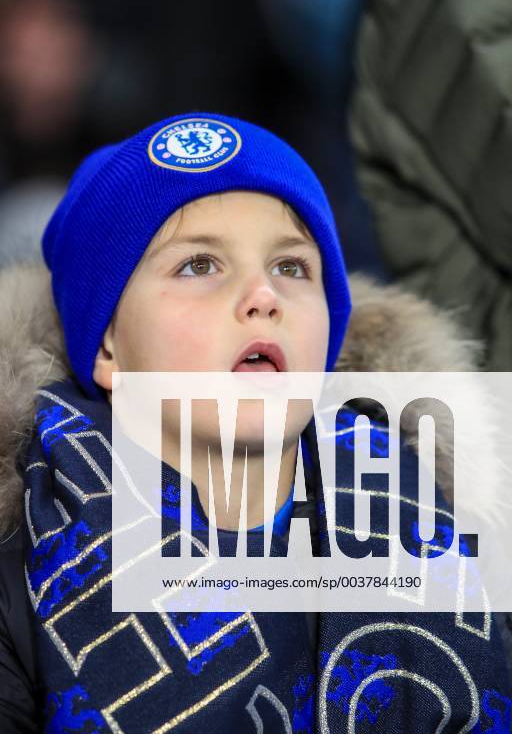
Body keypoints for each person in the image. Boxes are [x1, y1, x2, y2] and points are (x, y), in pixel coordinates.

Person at [0, 113, 510, 732]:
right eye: (199, 266)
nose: (263, 295)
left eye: (292, 267)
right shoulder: (21, 561)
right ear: (108, 346)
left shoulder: (454, 523)